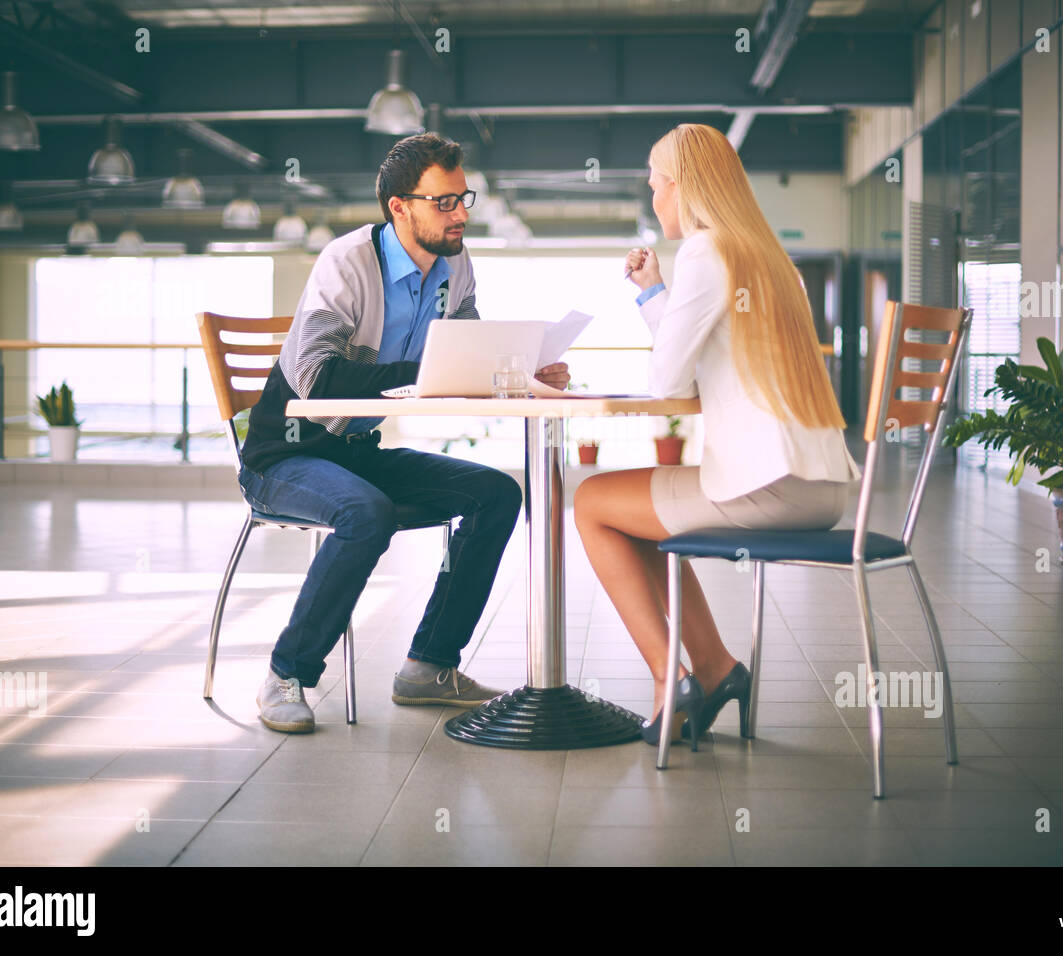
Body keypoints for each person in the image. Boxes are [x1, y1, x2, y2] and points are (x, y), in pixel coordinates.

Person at [239, 133, 571, 733]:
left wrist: (526, 371)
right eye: (444, 201)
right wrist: (434, 370)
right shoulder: (346, 263)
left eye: (463, 197)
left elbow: (465, 355)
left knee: (496, 494)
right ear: (400, 207)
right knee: (368, 513)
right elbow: (317, 378)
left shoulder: (456, 264)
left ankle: (428, 666)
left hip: (359, 451)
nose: (462, 213)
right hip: (283, 455)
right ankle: (286, 676)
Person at [573, 123, 862, 746]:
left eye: (657, 185)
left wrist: (652, 297)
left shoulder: (707, 251)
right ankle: (716, 668)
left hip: (771, 490)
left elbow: (666, 380)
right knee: (632, 514)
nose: (654, 200)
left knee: (592, 502)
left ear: (682, 185)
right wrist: (658, 293)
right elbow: (707, 377)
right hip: (824, 491)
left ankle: (667, 677)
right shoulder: (771, 257)